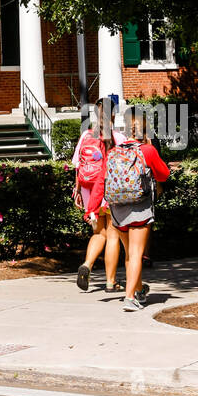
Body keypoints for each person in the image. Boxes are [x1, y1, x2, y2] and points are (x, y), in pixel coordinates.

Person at [84, 118, 169, 310]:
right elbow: (164, 174)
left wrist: (92, 209)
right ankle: (130, 298)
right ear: (145, 134)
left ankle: (138, 291)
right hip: (140, 208)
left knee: (129, 254)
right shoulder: (147, 150)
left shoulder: (113, 152)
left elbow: (100, 183)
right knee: (136, 254)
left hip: (117, 210)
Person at [74, 101, 127, 293]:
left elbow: (78, 165)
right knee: (113, 235)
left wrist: (78, 189)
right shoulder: (119, 138)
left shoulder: (86, 135)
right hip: (110, 193)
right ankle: (110, 282)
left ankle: (87, 264)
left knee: (98, 233)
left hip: (90, 193)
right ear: (113, 115)